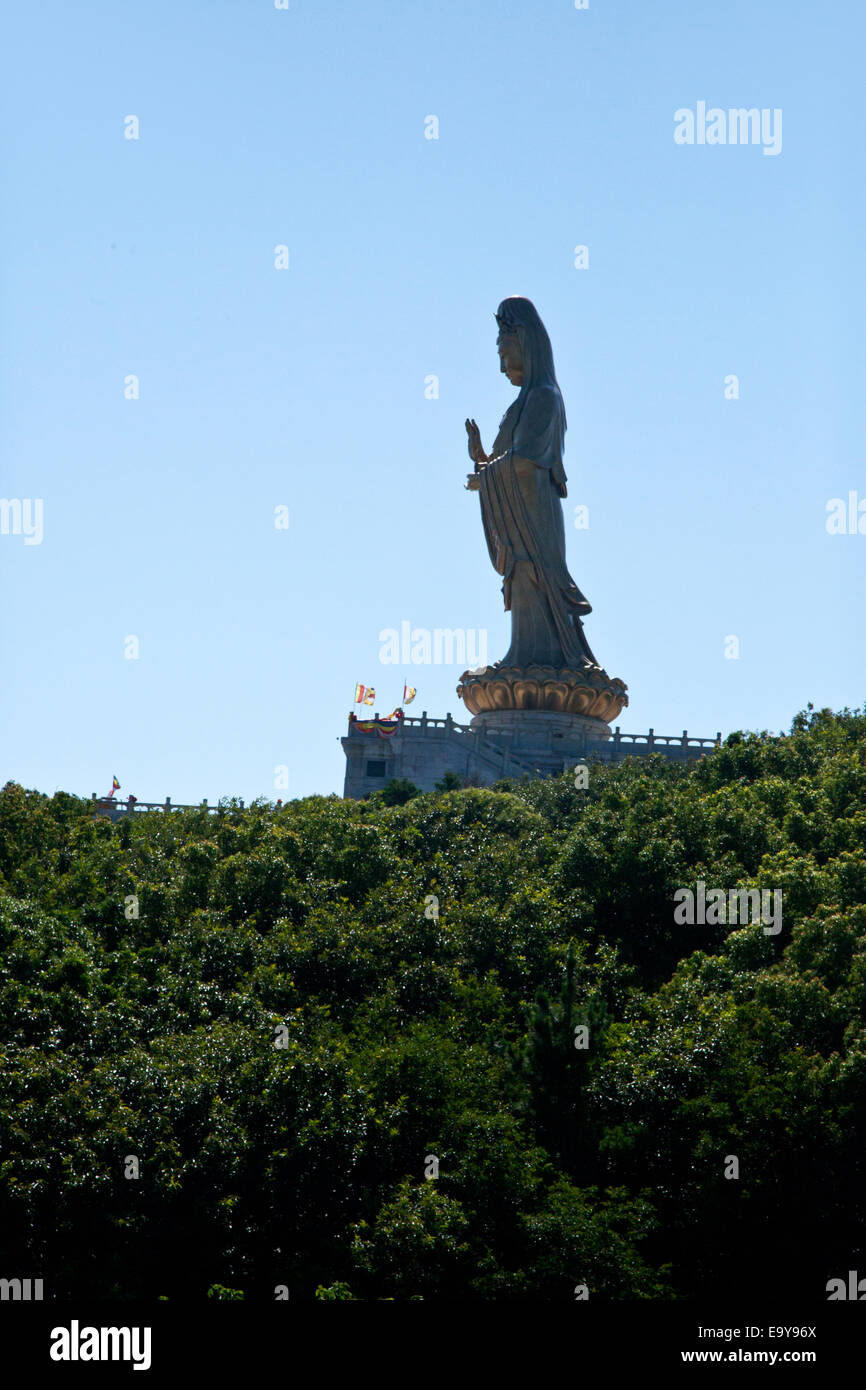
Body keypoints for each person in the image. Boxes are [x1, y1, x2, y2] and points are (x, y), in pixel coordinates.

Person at [464, 296, 599, 670]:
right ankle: (522, 656)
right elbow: (507, 462)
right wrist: (483, 461)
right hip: (518, 517)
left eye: (504, 350)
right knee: (520, 580)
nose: (501, 365)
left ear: (525, 342)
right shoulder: (520, 403)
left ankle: (543, 661)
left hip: (536, 519)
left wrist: (487, 476)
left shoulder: (544, 397)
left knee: (534, 579)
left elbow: (524, 462)